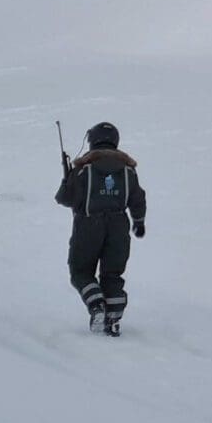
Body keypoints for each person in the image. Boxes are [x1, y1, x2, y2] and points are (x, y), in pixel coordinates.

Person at [55, 122, 146, 336]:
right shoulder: (128, 170)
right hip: (119, 227)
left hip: (88, 224)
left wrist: (66, 178)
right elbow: (138, 198)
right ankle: (113, 319)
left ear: (92, 140)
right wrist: (139, 222)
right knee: (112, 273)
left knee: (80, 270)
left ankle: (96, 306)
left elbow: (64, 198)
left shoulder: (83, 169)